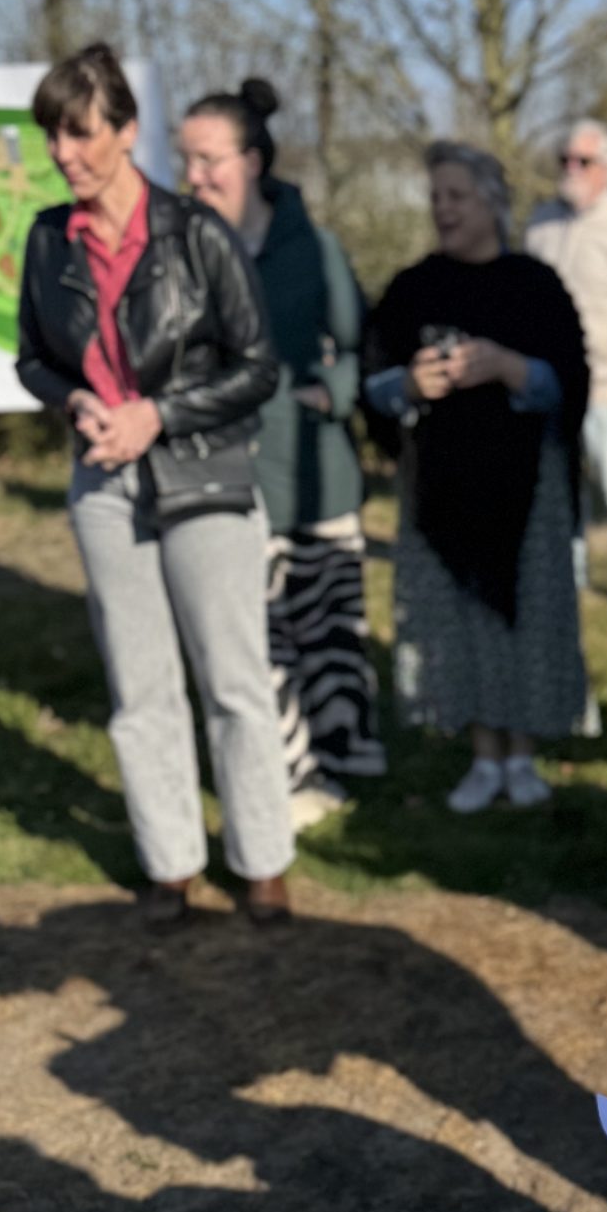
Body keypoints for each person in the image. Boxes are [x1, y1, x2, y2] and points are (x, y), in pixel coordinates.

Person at [15, 41, 295, 926]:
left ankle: (260, 864)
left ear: (126, 132)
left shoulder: (197, 233)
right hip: (102, 484)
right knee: (139, 688)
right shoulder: (45, 236)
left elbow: (259, 367)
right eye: (53, 136)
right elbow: (30, 358)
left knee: (233, 681)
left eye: (80, 132)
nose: (64, 152)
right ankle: (170, 865)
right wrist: (75, 404)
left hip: (204, 478)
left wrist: (158, 414)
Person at [179, 79, 383, 830]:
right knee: (259, 633)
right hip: (226, 470)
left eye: (208, 159)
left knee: (326, 626)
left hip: (314, 472)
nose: (194, 176)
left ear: (252, 160)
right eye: (186, 161)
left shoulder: (314, 247)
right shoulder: (188, 251)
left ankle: (346, 762)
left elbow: (361, 343)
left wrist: (331, 389)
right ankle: (288, 772)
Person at [365, 141, 590, 814]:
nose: (443, 210)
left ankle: (521, 755)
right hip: (443, 487)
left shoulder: (535, 284)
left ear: (492, 201)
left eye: (456, 196)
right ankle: (481, 755)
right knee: (458, 623)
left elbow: (571, 382)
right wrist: (407, 383)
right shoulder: (412, 288)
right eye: (436, 198)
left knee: (523, 620)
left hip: (527, 488)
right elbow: (371, 385)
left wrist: (509, 368)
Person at [525, 118, 607, 609]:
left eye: (581, 161)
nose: (570, 169)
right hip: (549, 385)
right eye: (563, 159)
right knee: (560, 493)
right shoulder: (540, 226)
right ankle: (570, 580)